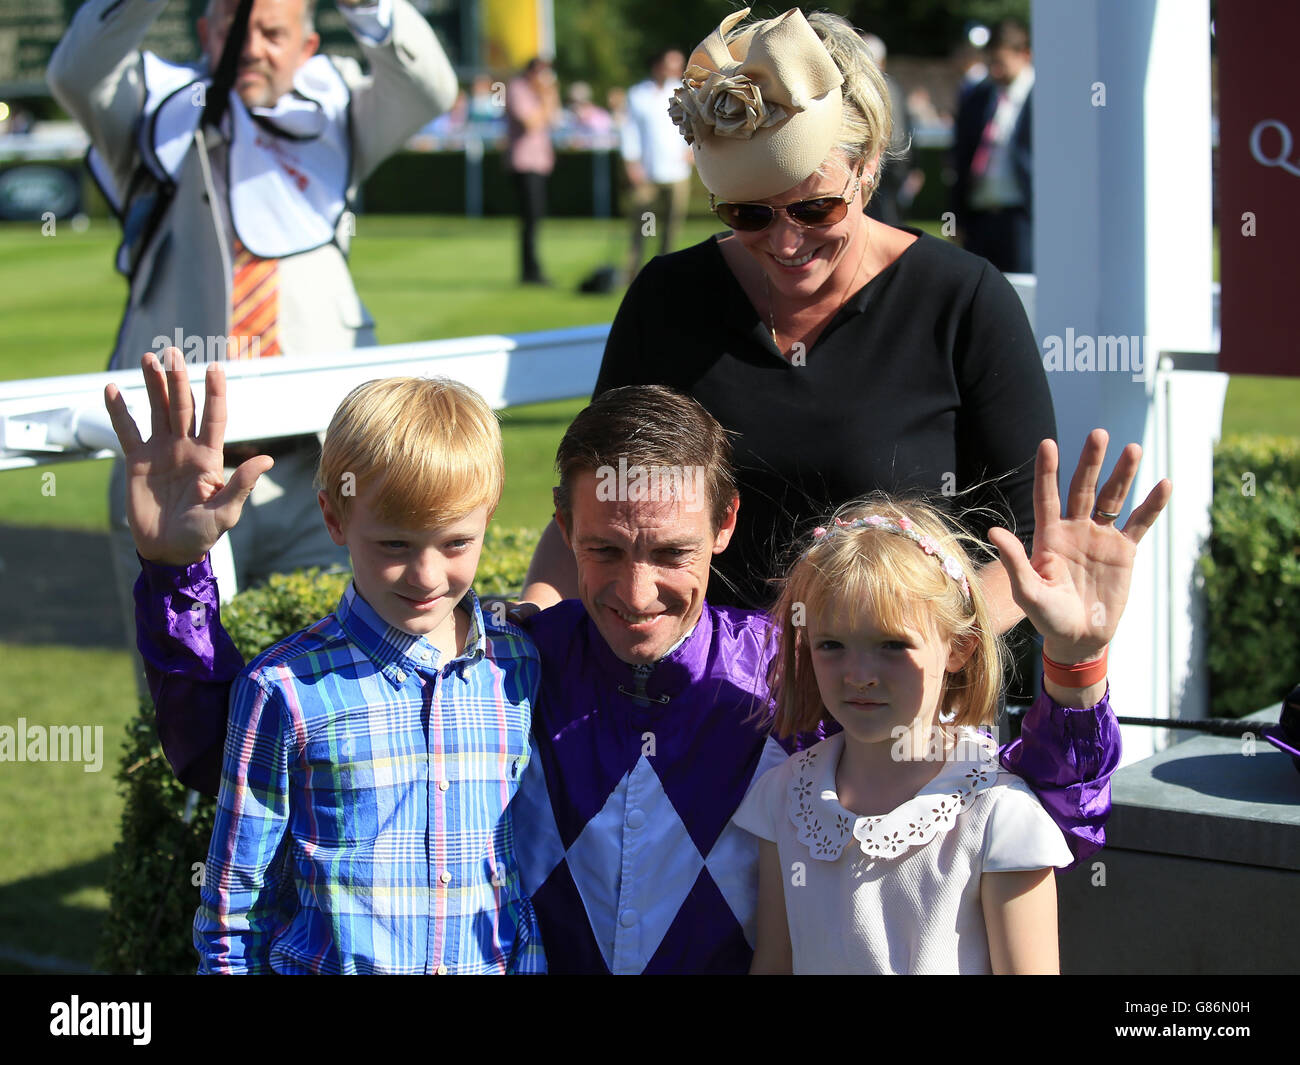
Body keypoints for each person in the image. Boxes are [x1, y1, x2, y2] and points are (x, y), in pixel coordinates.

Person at [103, 354, 1167, 973]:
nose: (636, 591)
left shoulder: (792, 676)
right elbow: (228, 751)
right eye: (603, 550)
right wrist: (172, 575)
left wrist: (1075, 668)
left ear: (726, 525)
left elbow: (1023, 816)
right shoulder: (508, 661)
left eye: (670, 554)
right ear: (560, 528)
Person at [520, 9, 1054, 657]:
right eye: (748, 213)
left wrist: (913, 658)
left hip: (899, 717)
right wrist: (529, 634)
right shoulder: (668, 299)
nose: (785, 241)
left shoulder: (960, 301)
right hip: (705, 713)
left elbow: (1023, 541)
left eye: (814, 206)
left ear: (868, 166)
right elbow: (596, 499)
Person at [47, 0, 458, 670]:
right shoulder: (154, 118)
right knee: (177, 708)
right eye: (236, 27)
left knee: (332, 691)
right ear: (206, 32)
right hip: (173, 475)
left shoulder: (338, 116)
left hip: (318, 469)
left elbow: (430, 87)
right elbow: (75, 71)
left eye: (273, 32)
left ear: (307, 44)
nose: (252, 47)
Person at [168, 369, 543, 973]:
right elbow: (235, 906)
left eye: (455, 544)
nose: (425, 576)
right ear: (334, 518)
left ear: (488, 519)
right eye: (394, 545)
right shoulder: (281, 691)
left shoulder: (520, 663)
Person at [739, 496, 1102, 973]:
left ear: (959, 648)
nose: (859, 674)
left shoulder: (998, 811)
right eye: (832, 644)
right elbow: (774, 961)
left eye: (892, 644)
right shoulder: (783, 796)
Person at [952, 18, 1035, 273]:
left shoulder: (1044, 98)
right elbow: (960, 158)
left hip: (1021, 220)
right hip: (980, 219)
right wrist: (956, 218)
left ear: (1024, 55)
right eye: (992, 63)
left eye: (1001, 62)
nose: (995, 71)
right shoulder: (978, 97)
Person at [621, 48, 695, 279]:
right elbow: (629, 131)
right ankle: (635, 271)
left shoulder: (684, 93)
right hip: (647, 172)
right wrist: (631, 162)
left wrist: (692, 150)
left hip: (677, 171)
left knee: (671, 226)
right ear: (658, 66)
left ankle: (666, 271)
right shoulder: (638, 95)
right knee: (645, 223)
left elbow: (695, 124)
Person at [505, 57, 560, 285]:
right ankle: (530, 272)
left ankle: (533, 269)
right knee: (529, 218)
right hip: (524, 162)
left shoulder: (542, 93)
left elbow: (554, 120)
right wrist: (545, 98)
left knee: (536, 217)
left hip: (540, 162)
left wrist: (548, 98)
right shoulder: (517, 89)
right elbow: (532, 123)